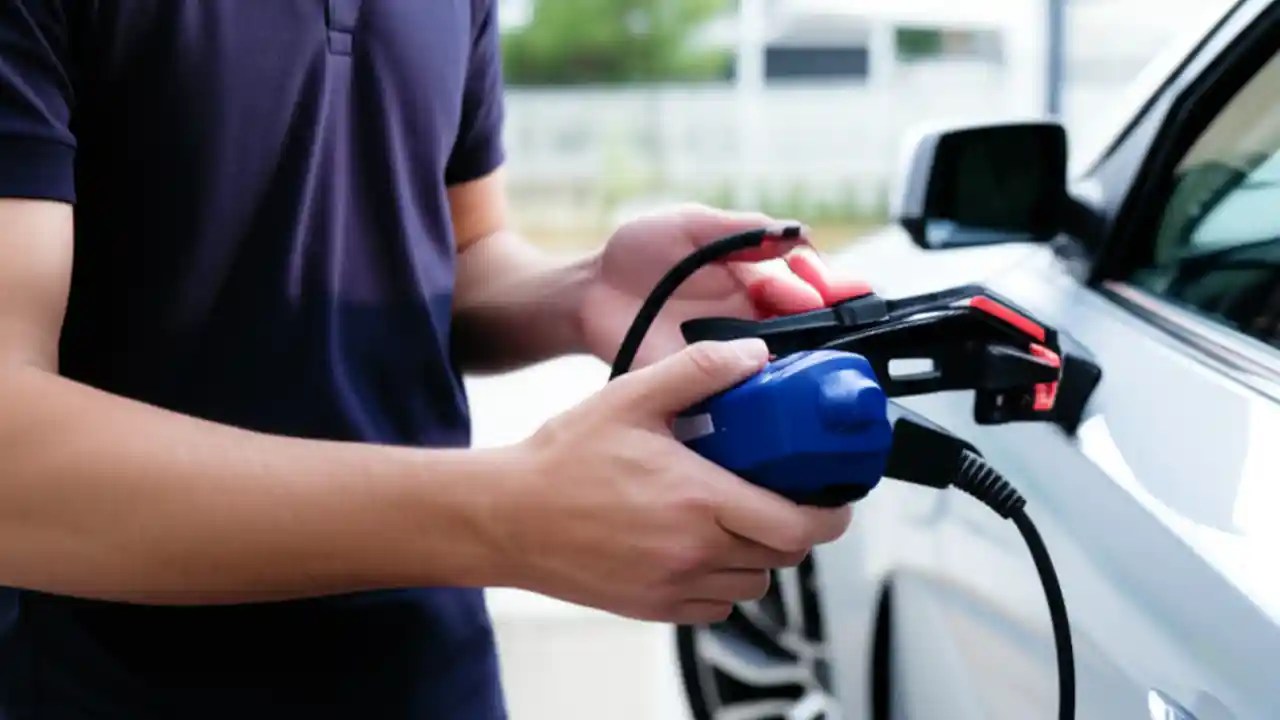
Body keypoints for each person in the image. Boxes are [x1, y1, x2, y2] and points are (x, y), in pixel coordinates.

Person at [0, 2, 866, 718]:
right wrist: (506, 514)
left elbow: (460, 250)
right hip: (97, 686)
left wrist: (587, 292)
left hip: (431, 677)